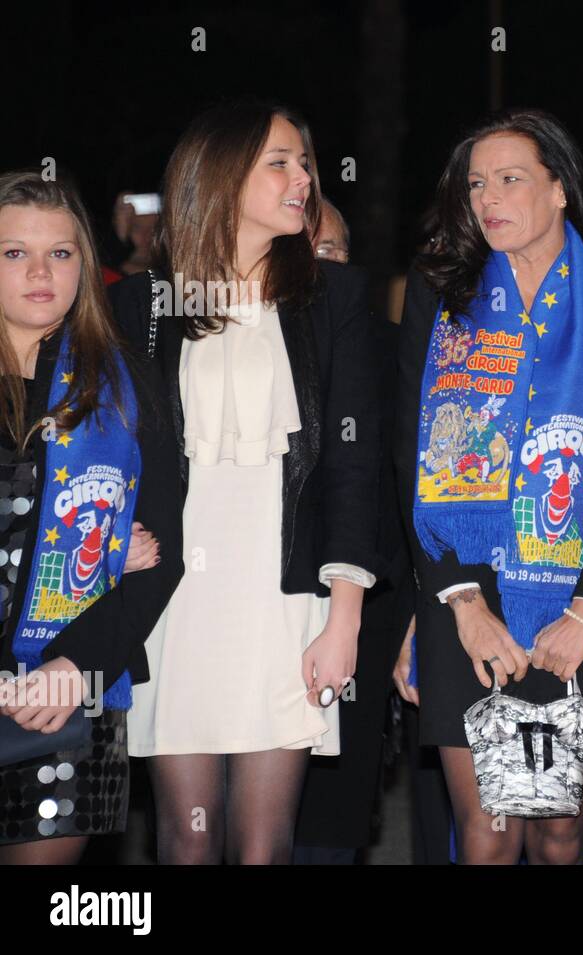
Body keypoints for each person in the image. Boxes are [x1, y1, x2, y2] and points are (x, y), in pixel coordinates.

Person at [396, 107, 583, 864]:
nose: (490, 197)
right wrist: (457, 601)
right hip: (465, 598)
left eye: (512, 179)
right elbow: (411, 455)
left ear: (559, 188)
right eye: (477, 183)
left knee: (559, 836)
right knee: (486, 836)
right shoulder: (441, 294)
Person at [109, 102, 381, 865]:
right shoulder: (141, 306)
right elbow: (98, 452)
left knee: (265, 847)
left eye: (305, 163)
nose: (304, 179)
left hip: (287, 601)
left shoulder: (334, 300)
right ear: (222, 176)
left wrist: (345, 618)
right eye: (281, 163)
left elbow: (353, 469)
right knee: (185, 842)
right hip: (174, 601)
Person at [0, 171, 182, 863]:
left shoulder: (130, 381)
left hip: (72, 685)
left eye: (62, 252)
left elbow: (167, 555)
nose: (42, 272)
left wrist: (77, 665)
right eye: (15, 252)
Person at [294, 199, 415, 864]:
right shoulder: (229, 347)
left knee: (332, 820)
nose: (318, 264)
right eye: (302, 248)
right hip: (253, 611)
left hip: (368, 607)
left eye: (332, 249)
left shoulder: (392, 349)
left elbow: (408, 486)